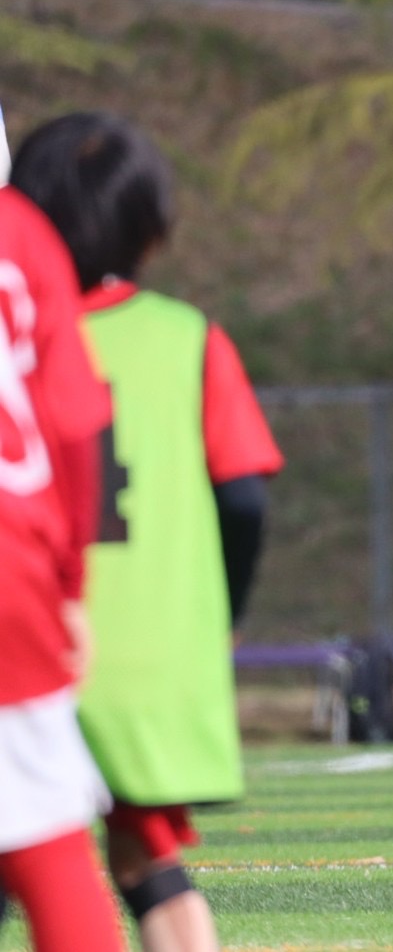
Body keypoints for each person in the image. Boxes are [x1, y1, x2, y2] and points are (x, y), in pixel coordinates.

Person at [9, 112, 284, 952]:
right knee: (147, 865)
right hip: (143, 658)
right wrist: (225, 614)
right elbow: (243, 498)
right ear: (151, 233)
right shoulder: (187, 338)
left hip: (34, 636)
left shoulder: (23, 334)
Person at [0, 158, 127, 946]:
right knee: (48, 841)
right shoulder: (22, 236)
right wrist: (70, 585)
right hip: (9, 579)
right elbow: (78, 429)